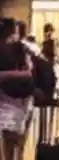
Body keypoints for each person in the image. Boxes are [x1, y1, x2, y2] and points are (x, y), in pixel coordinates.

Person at [0, 18, 34, 160]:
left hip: (7, 102)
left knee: (8, 144)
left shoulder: (19, 49)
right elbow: (29, 73)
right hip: (20, 103)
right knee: (16, 144)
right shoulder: (22, 49)